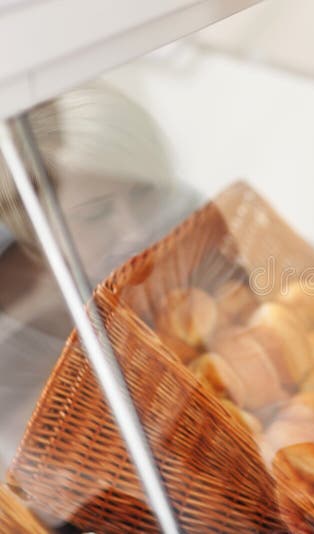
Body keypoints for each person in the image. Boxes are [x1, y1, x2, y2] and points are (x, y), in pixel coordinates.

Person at [0, 81, 199, 529]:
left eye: (144, 192)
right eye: (95, 213)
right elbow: (49, 503)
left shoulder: (181, 217)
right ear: (31, 223)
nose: (133, 229)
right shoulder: (10, 350)